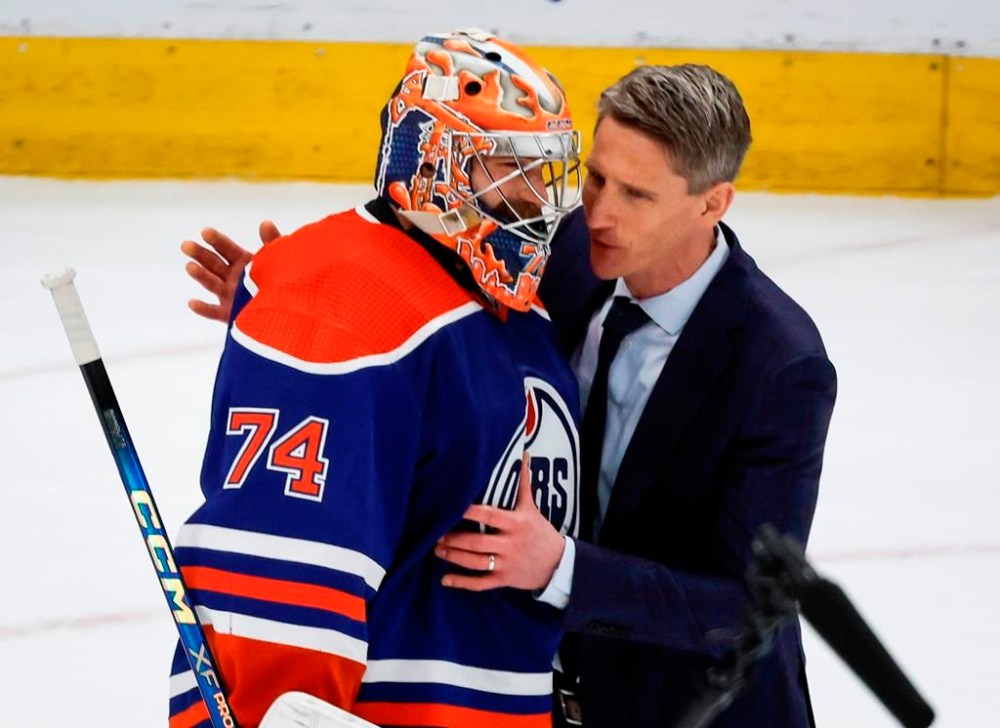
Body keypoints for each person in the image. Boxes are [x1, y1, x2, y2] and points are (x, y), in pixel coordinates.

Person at [185, 65, 837, 728]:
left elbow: (750, 608)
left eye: (636, 195)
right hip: (537, 694)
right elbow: (437, 290)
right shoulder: (569, 249)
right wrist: (292, 298)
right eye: (597, 177)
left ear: (712, 203)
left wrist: (563, 568)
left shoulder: (779, 365)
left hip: (687, 710)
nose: (599, 213)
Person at [169, 29, 584, 728]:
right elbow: (280, 589)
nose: (534, 197)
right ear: (432, 160)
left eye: (540, 172)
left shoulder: (510, 302)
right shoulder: (344, 303)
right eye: (507, 169)